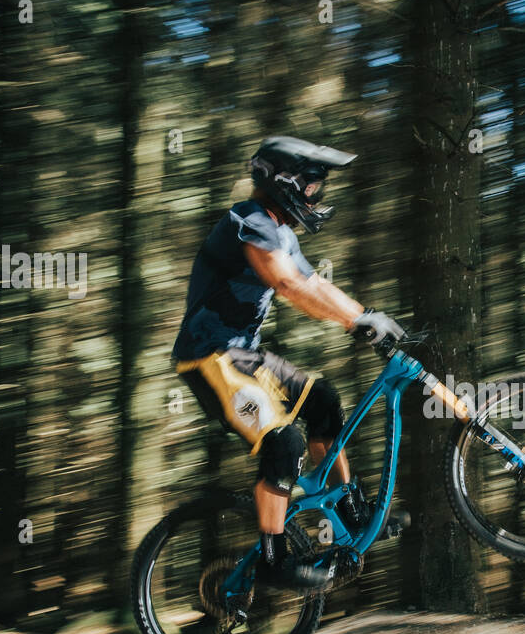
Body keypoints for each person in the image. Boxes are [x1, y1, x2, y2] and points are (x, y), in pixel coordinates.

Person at [171, 136, 405, 589]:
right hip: (209, 359)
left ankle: (347, 507)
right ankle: (274, 560)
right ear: (285, 181)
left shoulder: (281, 231)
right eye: (314, 185)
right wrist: (358, 320)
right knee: (284, 443)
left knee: (324, 404)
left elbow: (312, 282)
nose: (318, 195)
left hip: (244, 355)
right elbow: (287, 284)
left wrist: (369, 318)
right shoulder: (249, 219)